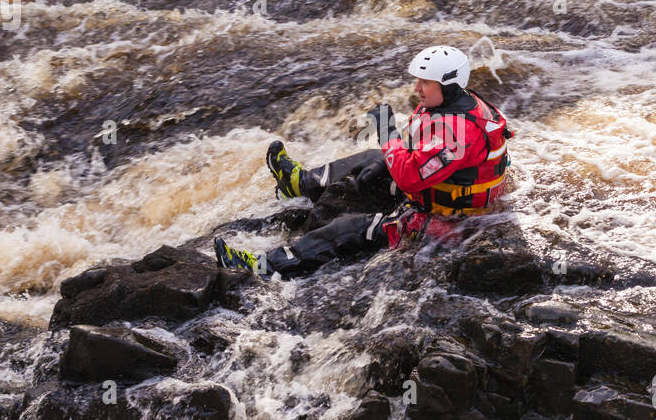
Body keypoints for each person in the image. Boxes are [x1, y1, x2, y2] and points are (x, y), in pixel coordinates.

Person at [214, 45, 513, 279]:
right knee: (375, 159)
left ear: (448, 85)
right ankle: (302, 184)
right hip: (442, 196)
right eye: (418, 80)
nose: (416, 88)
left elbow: (409, 176)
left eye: (425, 82)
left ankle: (266, 266)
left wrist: (386, 133)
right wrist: (386, 154)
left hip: (453, 223)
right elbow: (414, 149)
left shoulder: (459, 134)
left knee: (353, 227)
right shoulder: (455, 103)